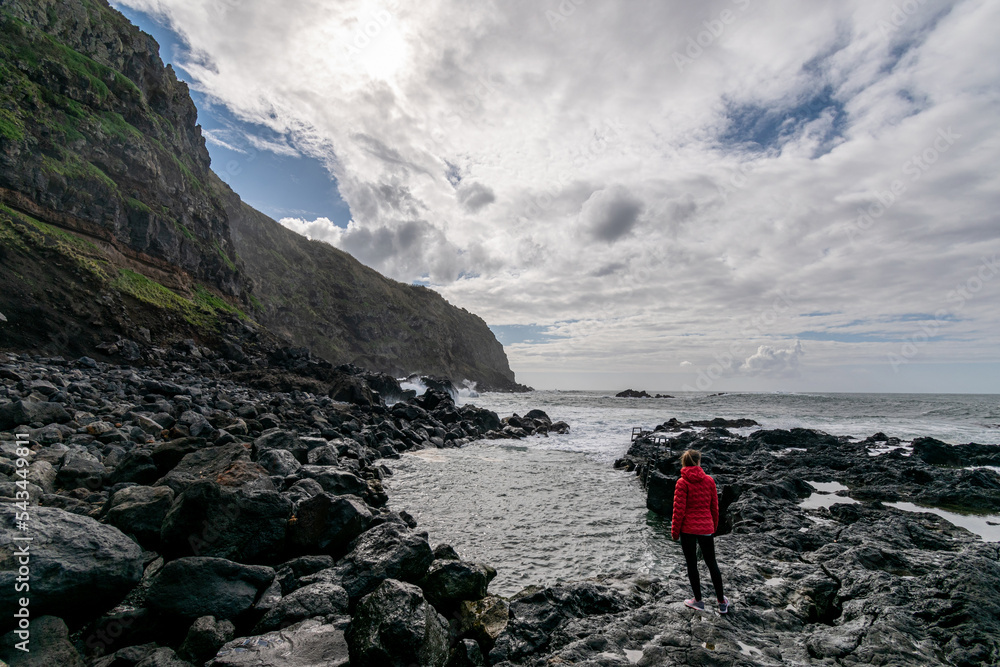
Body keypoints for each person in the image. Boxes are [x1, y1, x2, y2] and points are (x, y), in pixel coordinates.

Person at [671, 449, 729, 614]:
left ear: (684, 462)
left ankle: (697, 600)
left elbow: (678, 511)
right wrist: (713, 527)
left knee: (692, 564)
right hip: (706, 528)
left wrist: (675, 532)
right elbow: (714, 508)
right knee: (712, 563)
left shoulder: (682, 483)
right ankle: (721, 602)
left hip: (687, 529)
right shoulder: (709, 481)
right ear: (698, 462)